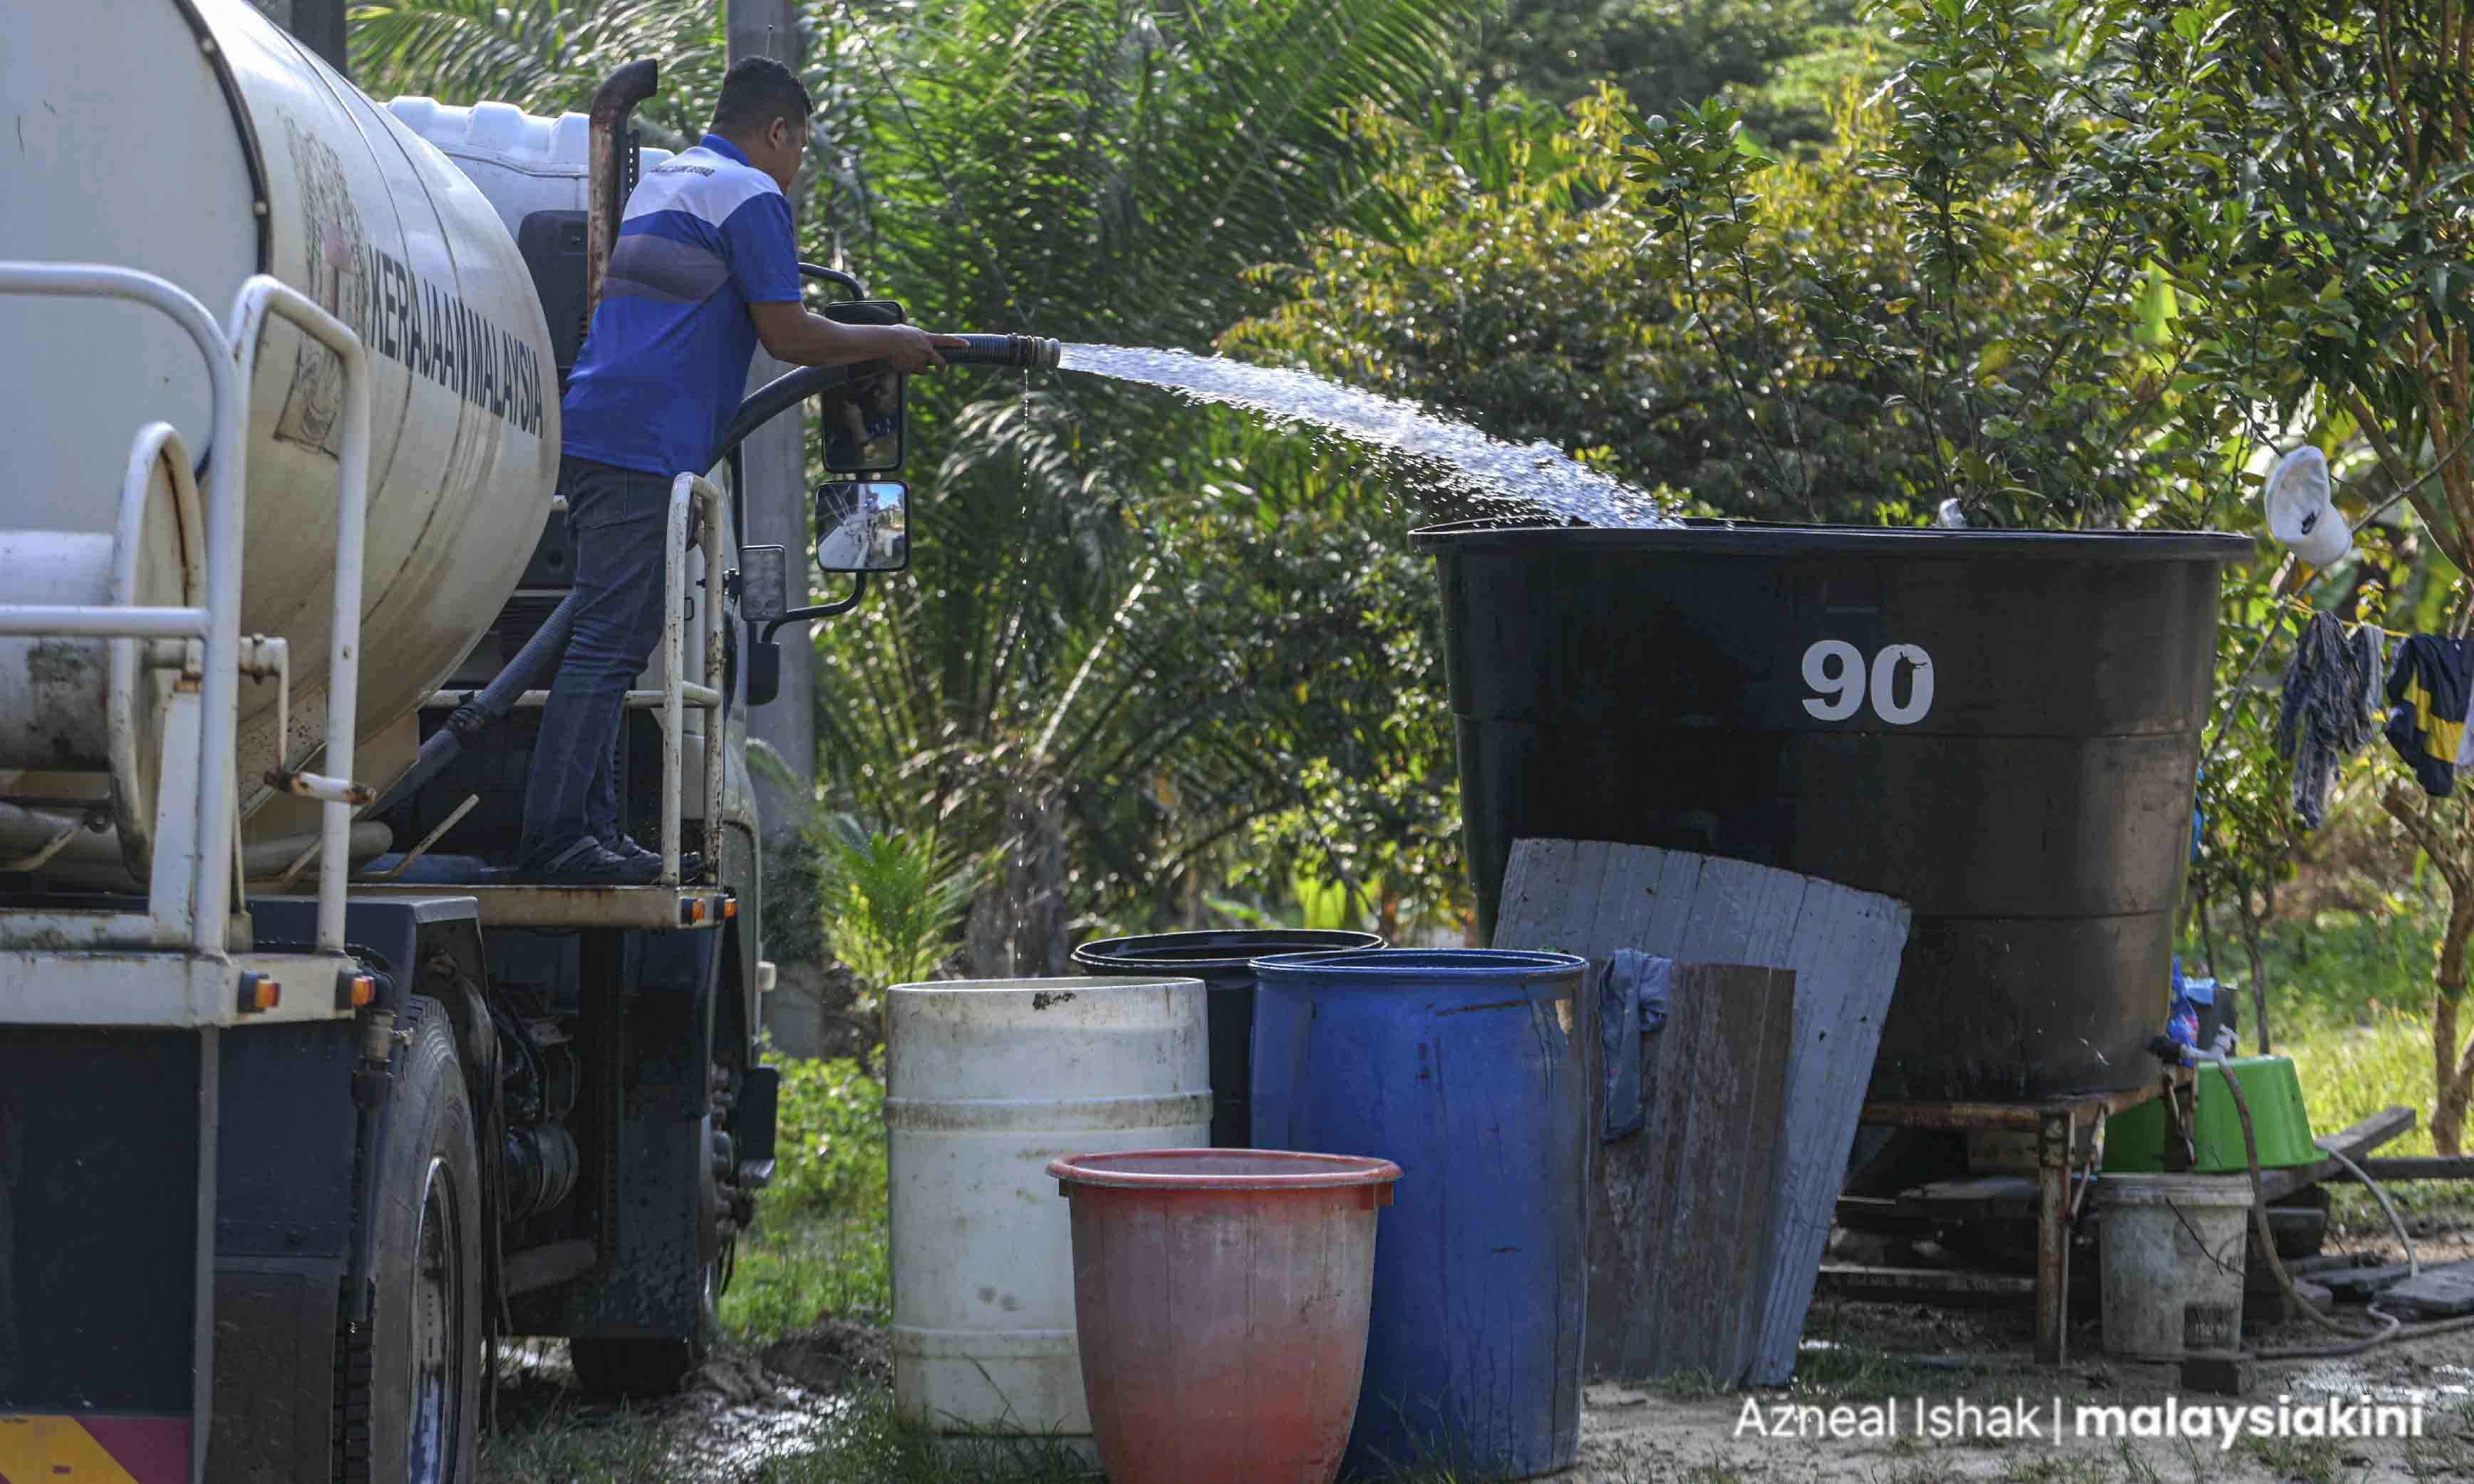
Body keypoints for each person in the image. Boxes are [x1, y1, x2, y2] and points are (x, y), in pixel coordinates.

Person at [521, 56, 963, 883]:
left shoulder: (669, 182)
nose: (796, 169)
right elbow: (788, 333)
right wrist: (891, 341)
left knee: (617, 639)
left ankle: (595, 834)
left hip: (605, 426)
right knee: (608, 643)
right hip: (643, 441)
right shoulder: (750, 193)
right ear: (778, 131)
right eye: (801, 148)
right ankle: (554, 840)